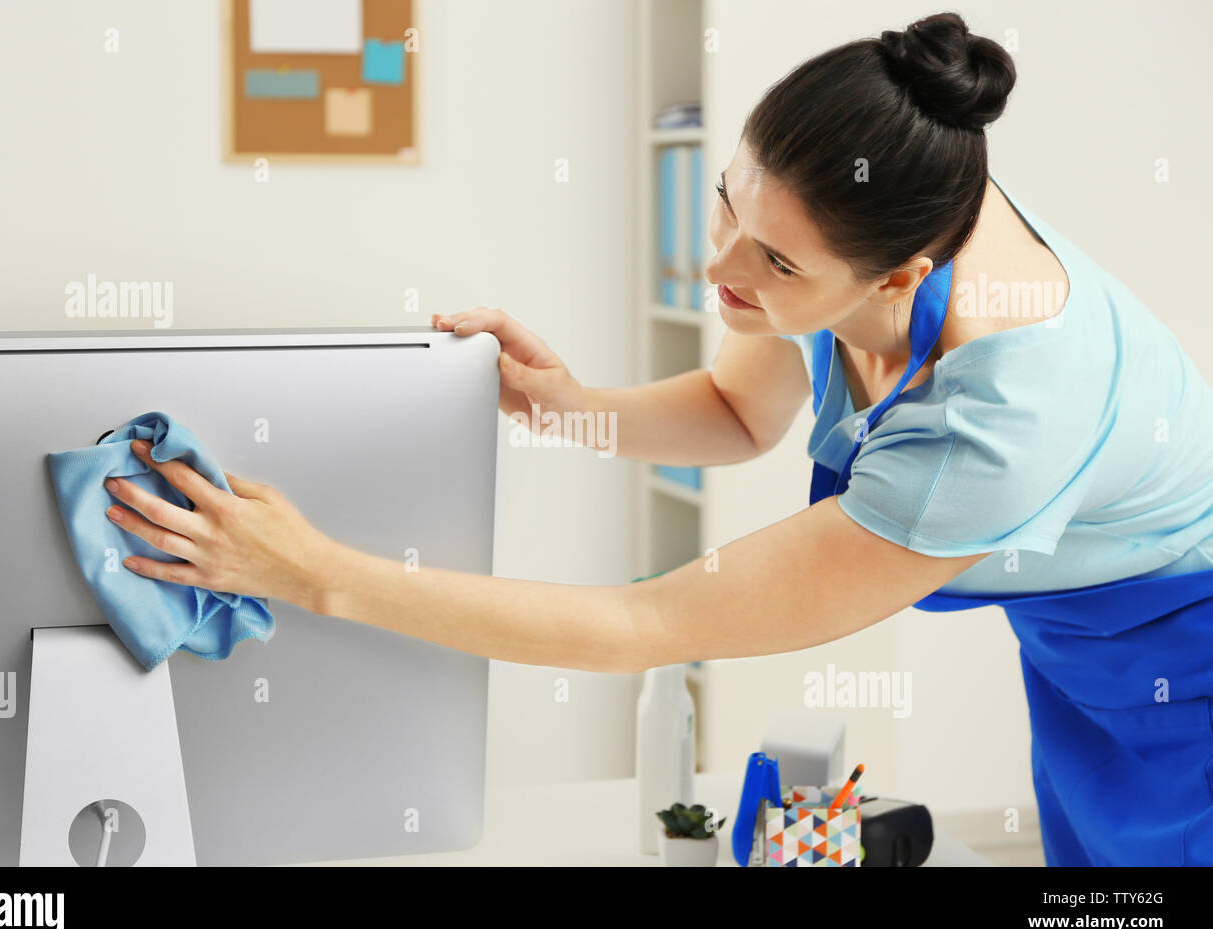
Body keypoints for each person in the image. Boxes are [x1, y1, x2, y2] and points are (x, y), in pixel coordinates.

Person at [104, 12, 1213, 866]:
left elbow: (644, 621)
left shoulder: (990, 430)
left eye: (774, 268)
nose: (719, 270)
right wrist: (564, 405)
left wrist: (312, 573)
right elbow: (742, 413)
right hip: (1073, 647)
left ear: (899, 276)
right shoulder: (885, 187)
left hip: (1184, 665)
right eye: (730, 204)